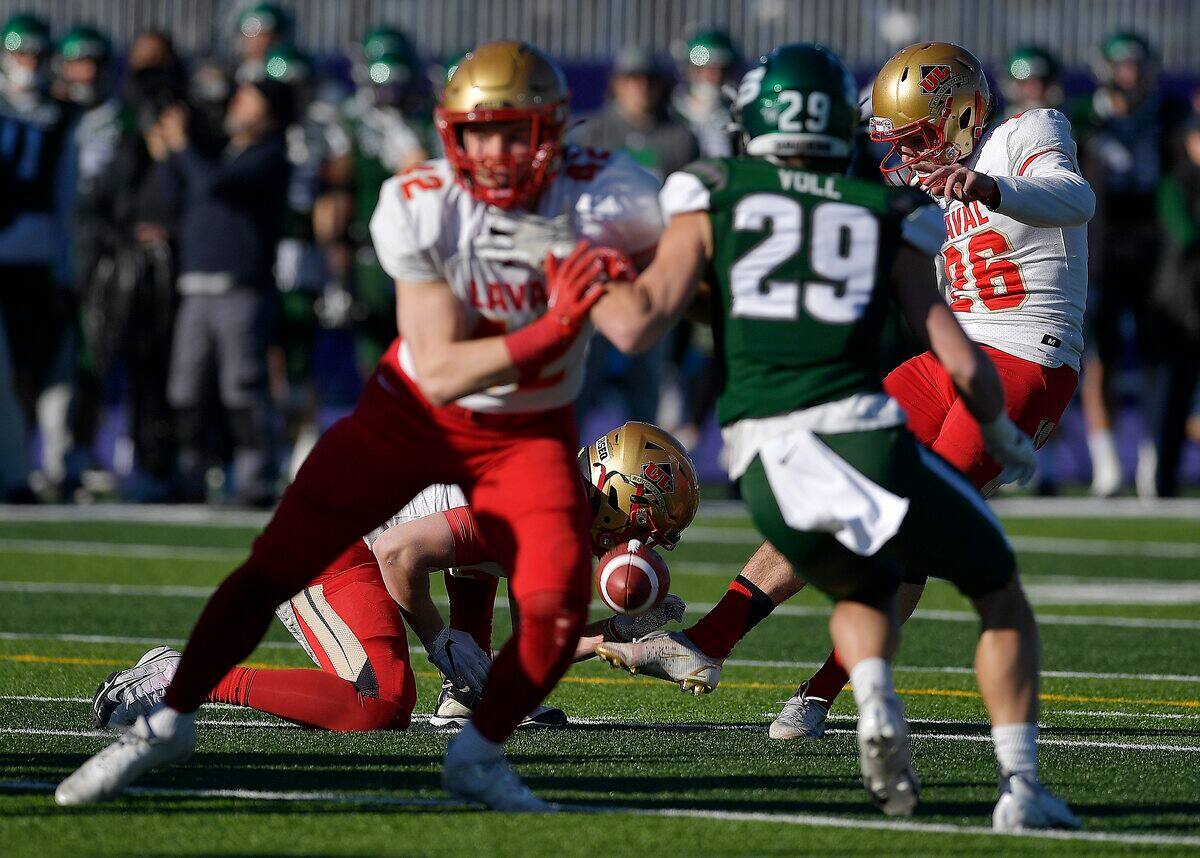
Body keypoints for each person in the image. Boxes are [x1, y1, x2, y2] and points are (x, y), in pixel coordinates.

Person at [56, 40, 664, 813]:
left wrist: (669, 260)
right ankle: (179, 692)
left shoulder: (606, 191)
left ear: (554, 131)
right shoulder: (421, 198)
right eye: (481, 132)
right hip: (406, 424)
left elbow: (661, 285)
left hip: (521, 432)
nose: (497, 152)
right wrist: (560, 323)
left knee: (558, 598)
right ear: (451, 134)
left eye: (517, 131)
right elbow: (439, 380)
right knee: (360, 679)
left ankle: (477, 753)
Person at [589, 41, 1079, 829]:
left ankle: (820, 694)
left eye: (920, 136)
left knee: (905, 538)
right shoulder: (891, 181)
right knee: (843, 489)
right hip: (951, 348)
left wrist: (986, 183)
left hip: (1026, 350)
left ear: (963, 110)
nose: (911, 152)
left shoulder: (1029, 130)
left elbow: (1072, 196)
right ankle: (711, 639)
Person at [92, 422, 697, 733]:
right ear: (623, 494)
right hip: (334, 538)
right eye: (652, 523)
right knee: (378, 705)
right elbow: (399, 553)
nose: (648, 542)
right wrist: (438, 638)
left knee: (478, 654)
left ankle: (462, 697)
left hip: (381, 532)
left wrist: (611, 635)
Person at [1076, 32, 1186, 496]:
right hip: (1098, 250)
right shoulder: (1082, 118)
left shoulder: (1167, 118)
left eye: (1136, 65)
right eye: (1122, 65)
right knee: (1098, 357)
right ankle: (1106, 464)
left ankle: (1151, 461)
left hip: (1152, 255)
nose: (1130, 74)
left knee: (1156, 357)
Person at [0, 13, 77, 501]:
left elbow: (66, 195)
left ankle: (31, 468)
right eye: (20, 53)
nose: (28, 64)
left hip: (35, 258)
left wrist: (66, 267)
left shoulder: (61, 116)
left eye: (35, 54)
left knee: (32, 370)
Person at [1145, 102, 1200, 496]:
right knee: (1172, 396)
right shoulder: (1175, 183)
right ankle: (1163, 477)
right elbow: (1184, 234)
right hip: (1179, 304)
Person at [671, 27, 741, 158]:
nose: (715, 77)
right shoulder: (671, 112)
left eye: (721, 69)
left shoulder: (735, 114)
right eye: (706, 69)